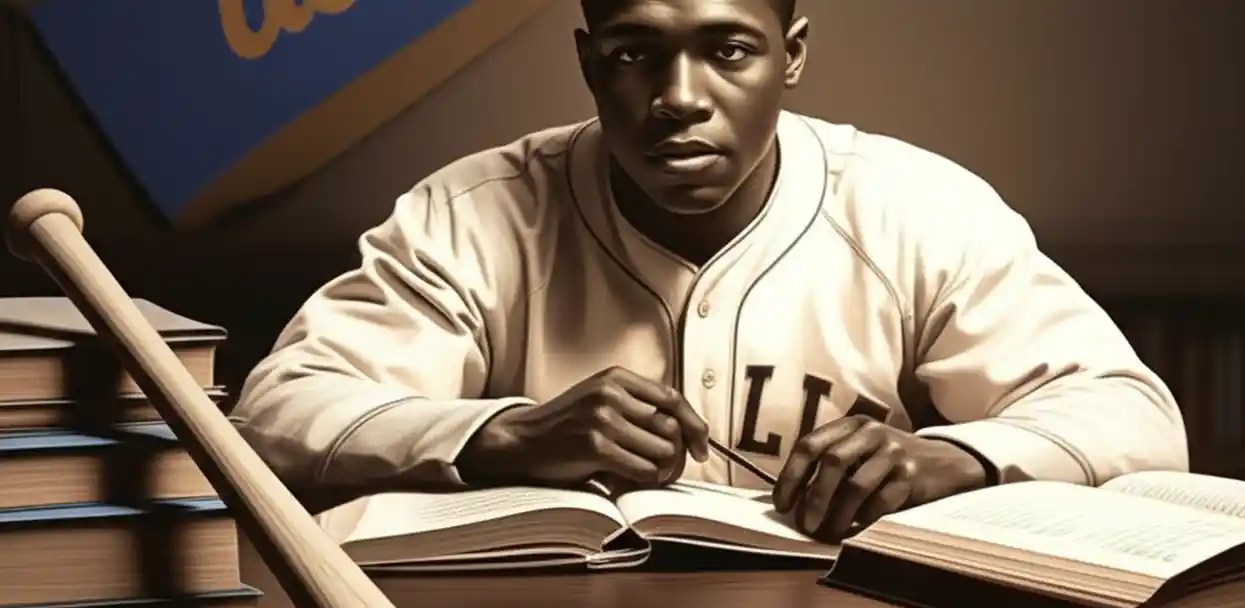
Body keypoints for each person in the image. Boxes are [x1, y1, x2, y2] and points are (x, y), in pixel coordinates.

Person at [229, 0, 1188, 544]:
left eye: (727, 49)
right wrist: (505, 434)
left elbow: (1136, 418)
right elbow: (272, 418)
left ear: (792, 55)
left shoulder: (913, 206)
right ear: (588, 64)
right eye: (635, 53)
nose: (679, 99)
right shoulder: (476, 212)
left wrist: (957, 455)